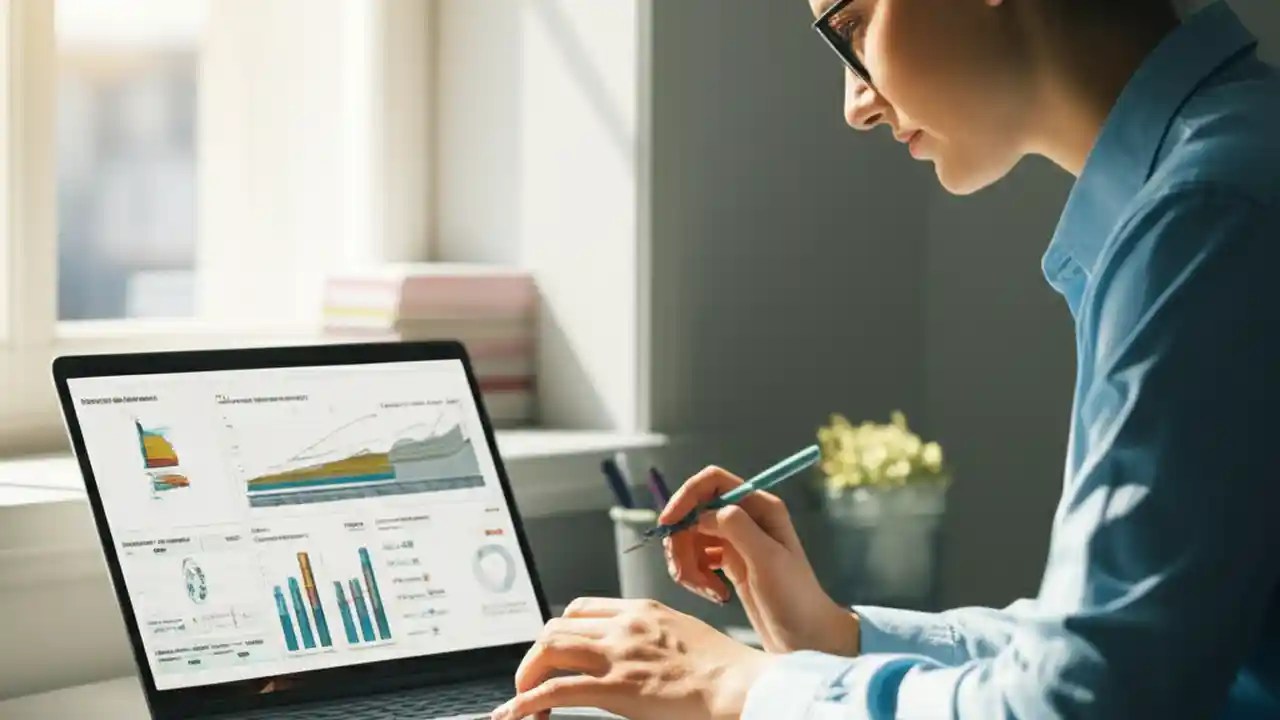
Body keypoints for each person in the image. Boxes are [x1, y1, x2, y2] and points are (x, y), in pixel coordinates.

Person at [490, 0, 1280, 717]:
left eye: (852, 25)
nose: (856, 103)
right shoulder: (1226, 168)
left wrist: (740, 686)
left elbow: (1088, 700)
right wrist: (838, 639)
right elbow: (1122, 645)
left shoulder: (1207, 217)